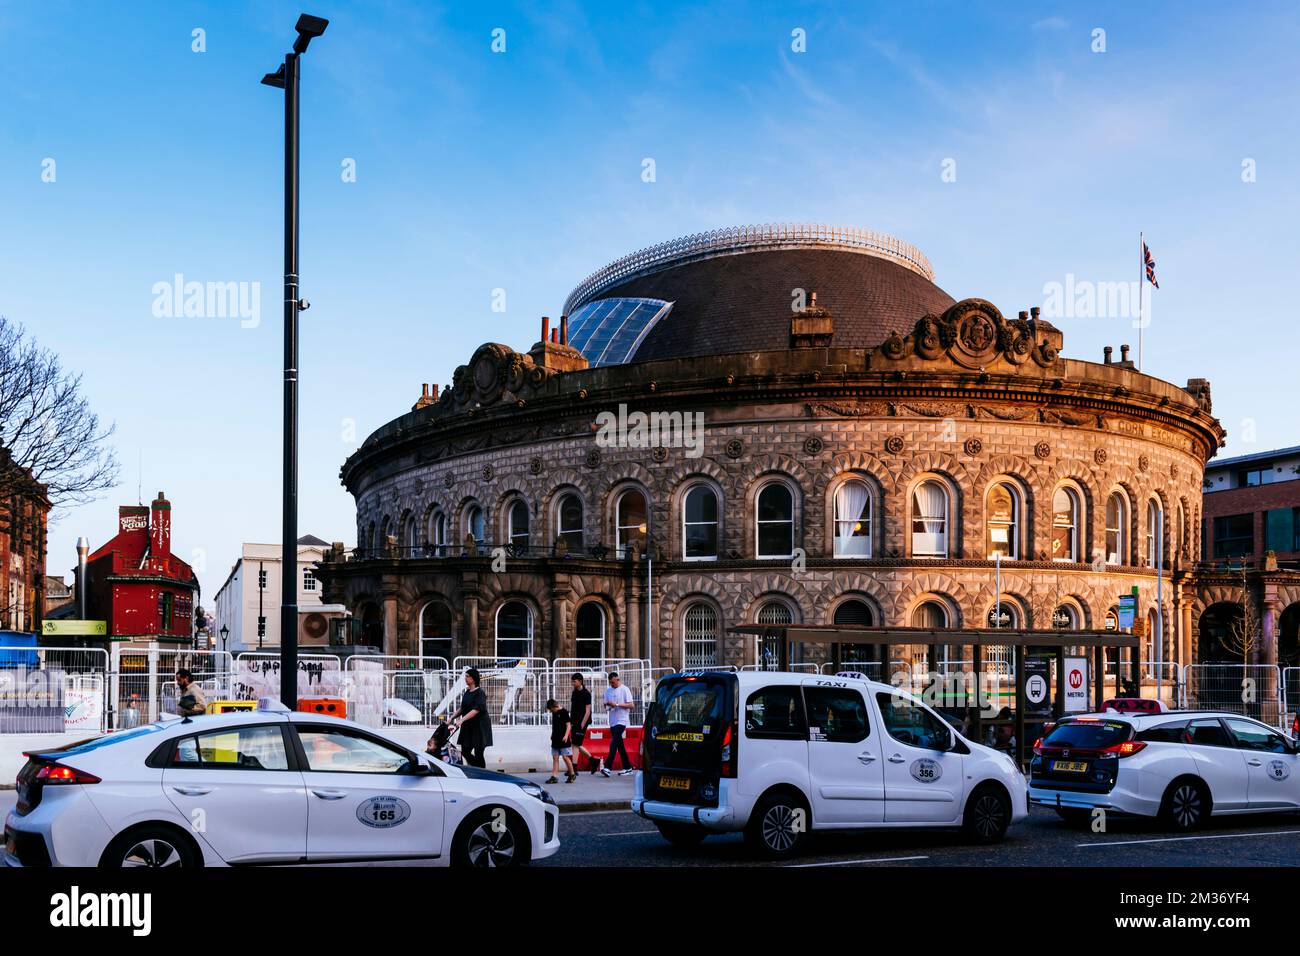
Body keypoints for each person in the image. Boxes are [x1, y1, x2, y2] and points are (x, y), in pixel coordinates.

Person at [450, 667, 492, 768]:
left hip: (480, 726)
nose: (465, 678)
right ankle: (476, 768)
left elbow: (476, 710)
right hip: (469, 726)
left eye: (467, 676)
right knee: (465, 751)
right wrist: (451, 718)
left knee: (479, 752)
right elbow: (463, 708)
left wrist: (461, 720)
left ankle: (482, 772)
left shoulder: (480, 693)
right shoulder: (467, 692)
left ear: (473, 679)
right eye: (465, 676)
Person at [600, 671, 635, 777]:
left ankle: (607, 767)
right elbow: (606, 706)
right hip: (613, 721)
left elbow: (631, 705)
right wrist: (608, 705)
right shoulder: (608, 691)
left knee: (614, 743)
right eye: (610, 683)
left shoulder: (625, 689)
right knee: (620, 745)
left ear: (618, 680)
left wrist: (617, 704)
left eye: (613, 682)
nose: (612, 685)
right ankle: (628, 767)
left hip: (622, 720)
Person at [568, 672, 595, 773]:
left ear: (580, 681)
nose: (573, 683)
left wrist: (582, 725)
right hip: (574, 721)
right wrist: (571, 721)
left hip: (582, 722)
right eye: (572, 681)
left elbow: (588, 711)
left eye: (574, 681)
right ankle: (592, 761)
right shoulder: (574, 692)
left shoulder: (586, 694)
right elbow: (573, 707)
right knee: (575, 744)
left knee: (576, 744)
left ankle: (574, 768)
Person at [546, 699, 576, 784]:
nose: (551, 711)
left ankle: (572, 774)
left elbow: (568, 725)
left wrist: (566, 736)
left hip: (563, 739)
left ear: (554, 706)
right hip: (555, 739)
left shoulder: (564, 712)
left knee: (565, 757)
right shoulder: (554, 713)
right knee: (555, 757)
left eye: (551, 709)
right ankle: (554, 776)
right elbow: (555, 726)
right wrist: (552, 735)